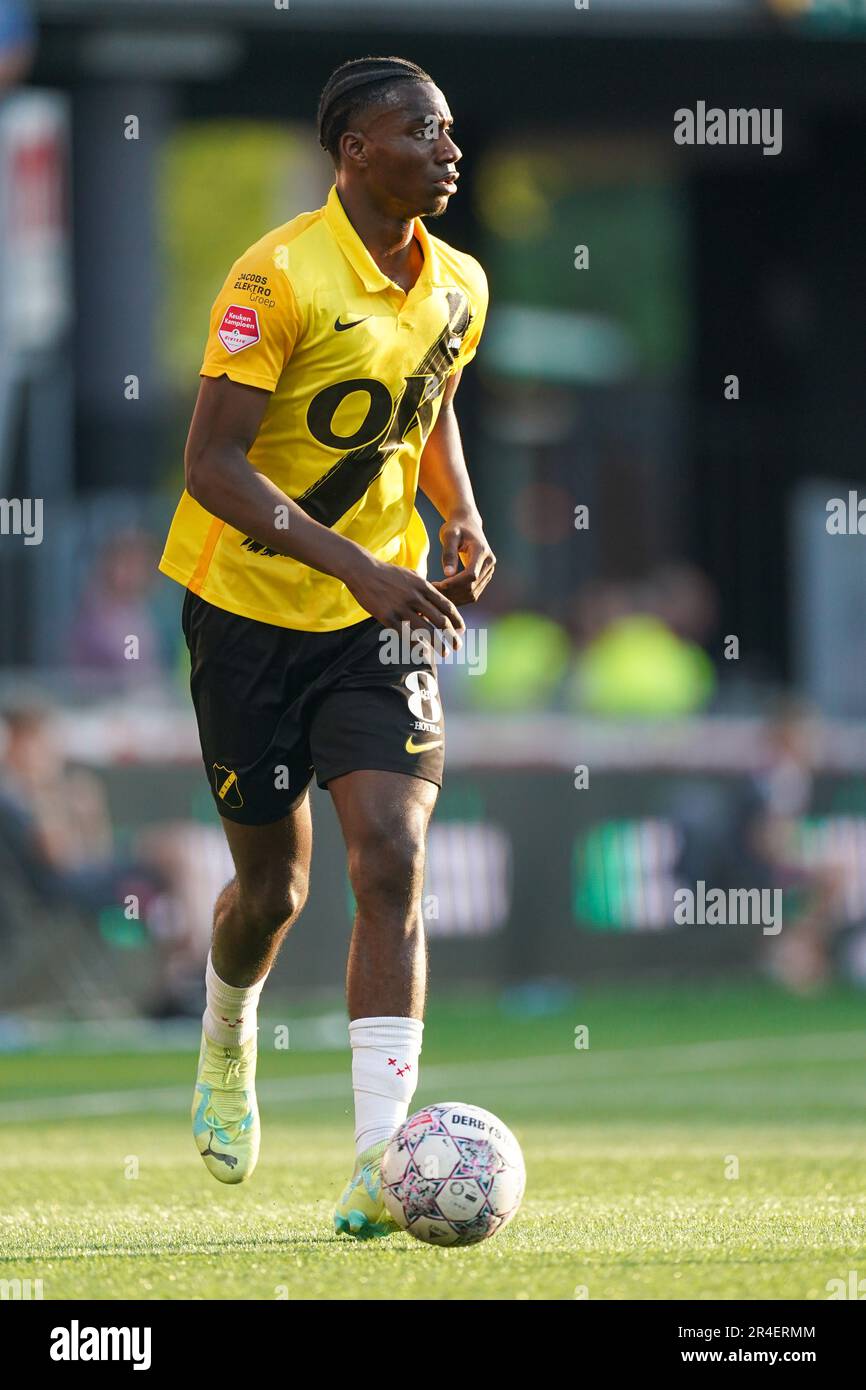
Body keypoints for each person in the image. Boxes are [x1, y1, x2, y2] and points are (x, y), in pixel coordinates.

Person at [158, 55, 495, 1237]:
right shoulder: (276, 275)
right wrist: (358, 562)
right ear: (355, 151)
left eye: (450, 131)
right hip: (248, 616)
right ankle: (225, 1033)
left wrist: (458, 513)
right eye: (423, 130)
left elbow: (430, 399)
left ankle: (377, 1158)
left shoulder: (459, 281)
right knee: (273, 888)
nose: (449, 148)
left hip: (374, 624)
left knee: (393, 857)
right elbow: (210, 466)